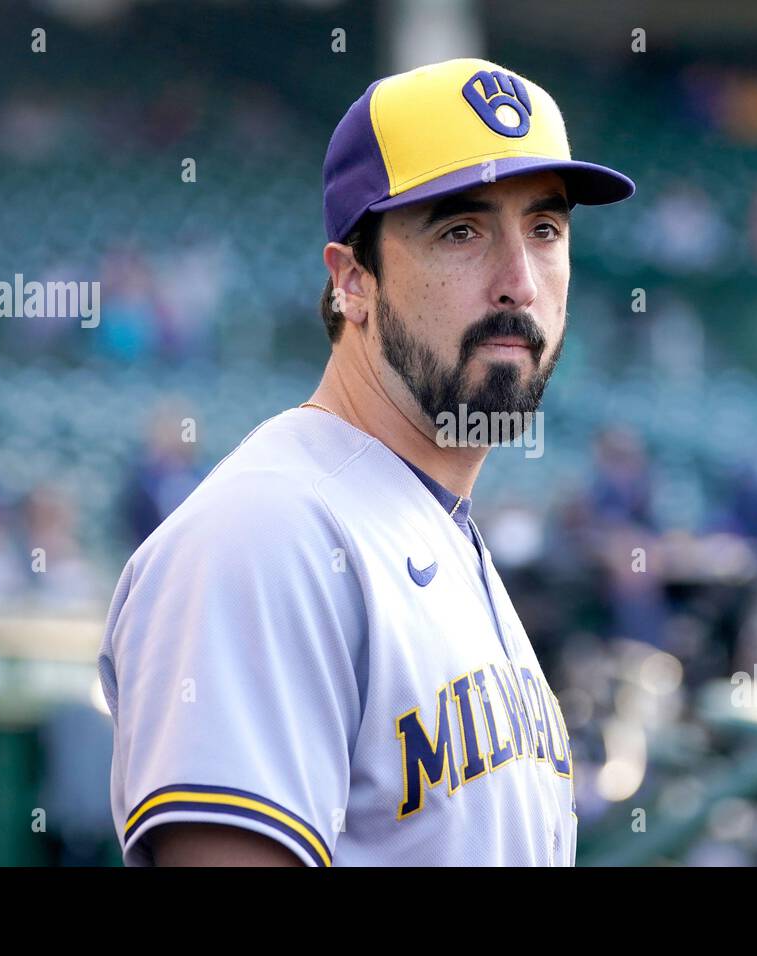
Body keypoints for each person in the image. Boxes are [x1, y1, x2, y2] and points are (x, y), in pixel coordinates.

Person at [98, 58, 635, 866]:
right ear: (353, 279)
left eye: (545, 230)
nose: (518, 282)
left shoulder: (435, 528)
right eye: (461, 231)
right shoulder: (269, 534)